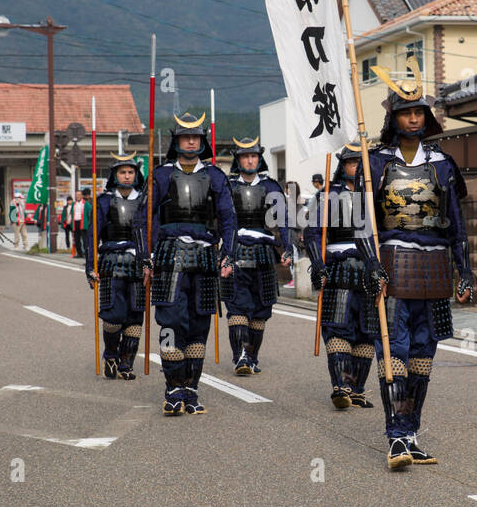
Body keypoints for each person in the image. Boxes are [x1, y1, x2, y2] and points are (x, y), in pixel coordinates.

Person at [363, 62, 473, 470]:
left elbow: (456, 223)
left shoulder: (443, 164)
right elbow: (363, 224)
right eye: (406, 112)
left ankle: (411, 432)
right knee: (394, 350)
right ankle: (394, 436)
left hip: (435, 267)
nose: (413, 118)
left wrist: (466, 270)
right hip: (391, 263)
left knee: (424, 354)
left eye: (419, 112)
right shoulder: (375, 163)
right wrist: (371, 264)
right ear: (393, 117)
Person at [139, 113, 236, 416]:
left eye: (196, 137)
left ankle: (191, 390)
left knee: (198, 327)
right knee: (170, 323)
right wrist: (146, 257)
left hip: (205, 259)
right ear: (177, 141)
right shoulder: (160, 175)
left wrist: (228, 253)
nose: (191, 141)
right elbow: (143, 220)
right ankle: (172, 388)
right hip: (169, 258)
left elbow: (229, 219)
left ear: (203, 141)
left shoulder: (216, 177)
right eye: (185, 137)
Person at [305, 143, 377, 409]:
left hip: (368, 268)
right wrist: (318, 263)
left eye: (361, 162)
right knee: (338, 327)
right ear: (342, 165)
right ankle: (341, 386)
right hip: (339, 267)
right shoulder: (327, 195)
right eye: (352, 162)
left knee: (367, 331)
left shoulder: (373, 194)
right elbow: (311, 233)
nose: (356, 167)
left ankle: (357, 389)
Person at [224, 137, 291, 376]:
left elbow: (283, 222)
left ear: (259, 159)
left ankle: (251, 356)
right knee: (237, 307)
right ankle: (239, 356)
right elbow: (219, 221)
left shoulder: (272, 187)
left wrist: (288, 249)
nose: (250, 160)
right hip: (236, 250)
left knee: (260, 311)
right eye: (245, 156)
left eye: (253, 156)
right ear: (238, 160)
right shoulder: (228, 187)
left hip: (264, 253)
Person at [88, 156, 146, 380]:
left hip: (138, 263)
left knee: (135, 316)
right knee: (113, 315)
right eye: (122, 172)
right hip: (111, 262)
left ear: (136, 175)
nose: (127, 176)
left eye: (130, 172)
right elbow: (93, 236)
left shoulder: (143, 201)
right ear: (115, 175)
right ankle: (111, 354)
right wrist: (90, 267)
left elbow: (152, 233)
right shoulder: (104, 202)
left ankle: (126, 363)